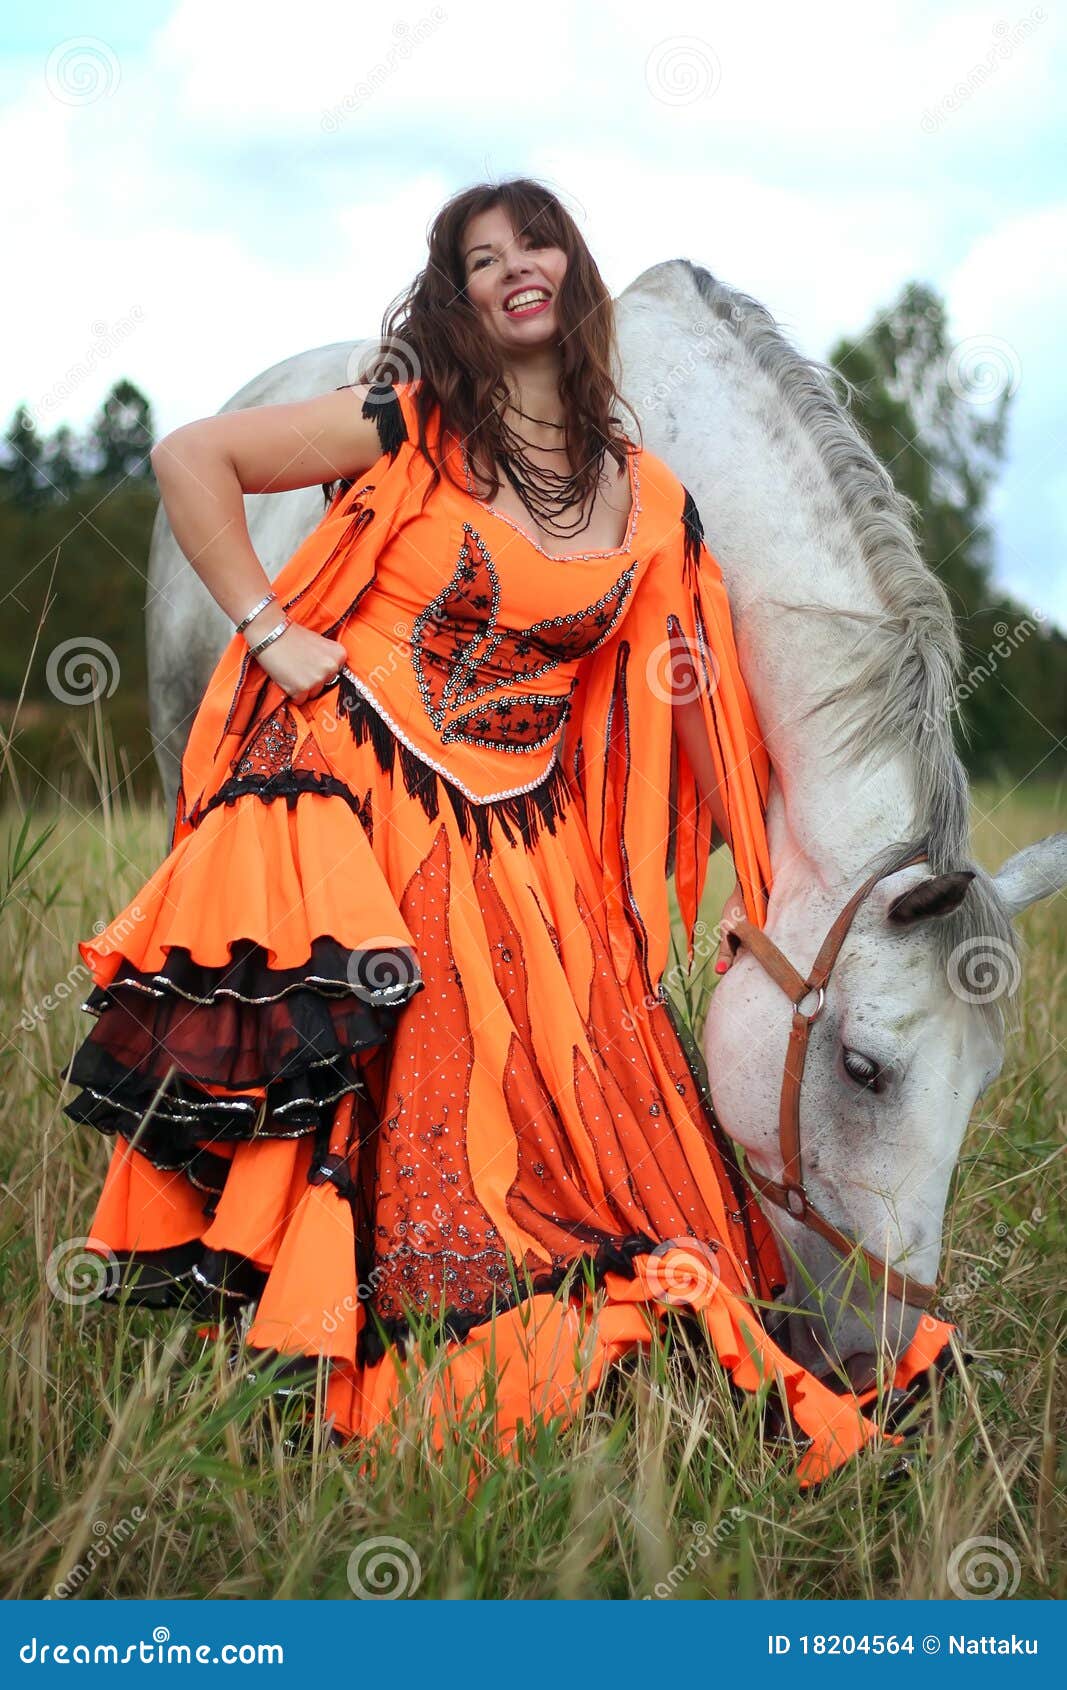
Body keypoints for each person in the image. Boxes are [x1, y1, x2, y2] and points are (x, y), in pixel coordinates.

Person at [59, 179, 936, 1485]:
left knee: (618, 1106)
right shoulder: (410, 421)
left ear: (573, 272)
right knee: (432, 1059)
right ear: (457, 296)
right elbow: (196, 455)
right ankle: (382, 1346)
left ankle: (623, 1340)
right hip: (360, 780)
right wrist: (267, 627)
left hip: (524, 827)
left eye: (537, 243)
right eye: (481, 257)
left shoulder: (646, 499)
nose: (515, 268)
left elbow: (668, 695)